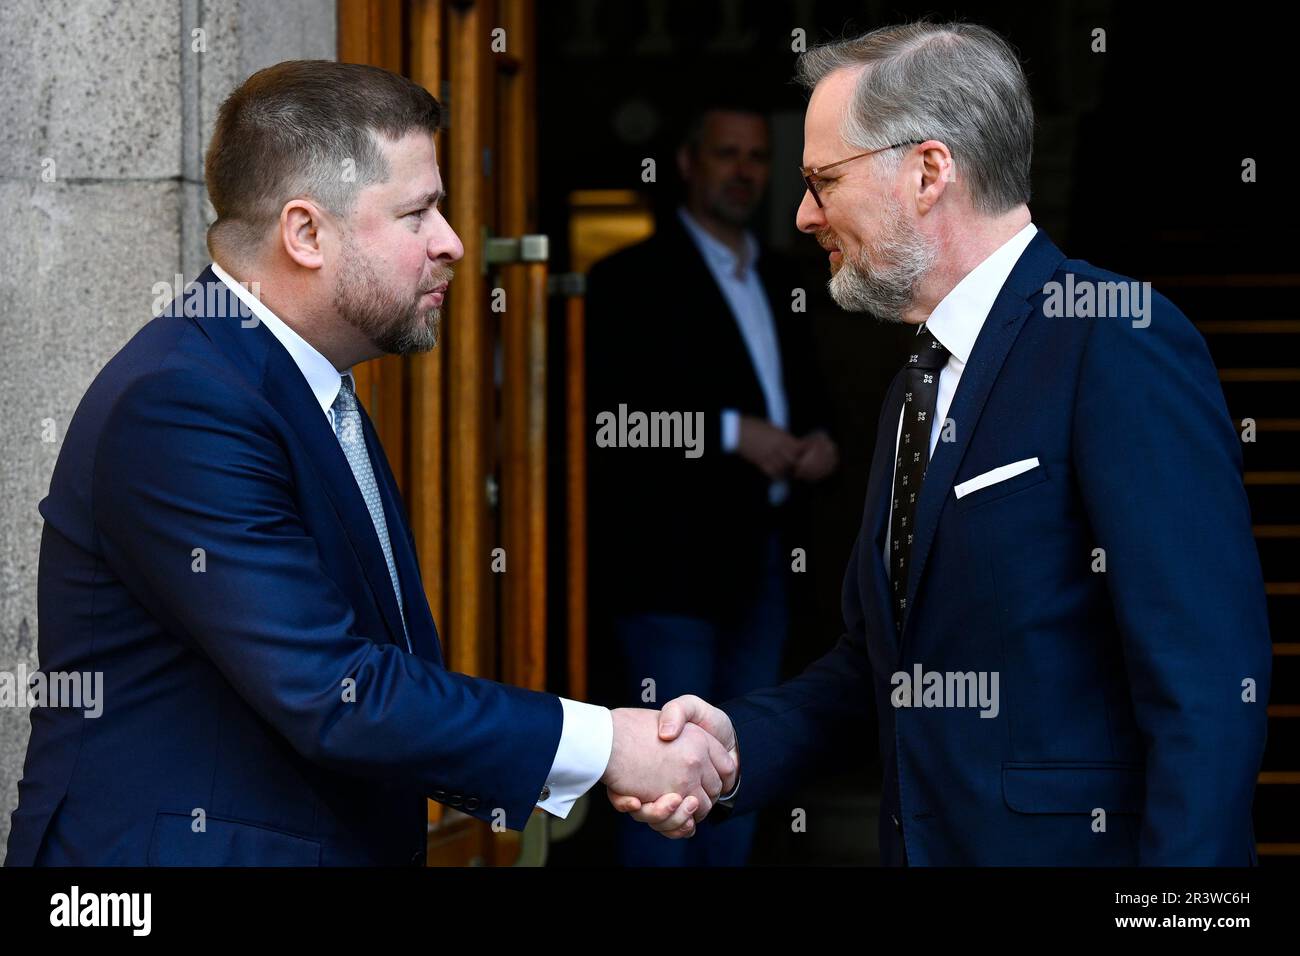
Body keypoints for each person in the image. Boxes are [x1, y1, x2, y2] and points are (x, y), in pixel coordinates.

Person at [5, 60, 733, 866]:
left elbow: (375, 687)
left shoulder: (306, 381)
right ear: (306, 233)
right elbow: (332, 691)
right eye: (418, 212)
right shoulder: (183, 402)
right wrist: (608, 744)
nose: (453, 242)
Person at [611, 21, 1272, 866]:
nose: (805, 214)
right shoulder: (917, 383)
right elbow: (878, 668)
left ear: (928, 172)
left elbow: (1207, 687)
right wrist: (732, 746)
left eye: (824, 181)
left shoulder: (1115, 339)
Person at [585, 101, 837, 865]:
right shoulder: (630, 278)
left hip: (764, 559)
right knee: (663, 786)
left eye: (757, 158)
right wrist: (732, 435)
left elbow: (808, 396)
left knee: (736, 775)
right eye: (726, 154)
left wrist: (821, 440)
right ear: (689, 164)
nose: (743, 172)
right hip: (669, 571)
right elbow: (610, 423)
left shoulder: (784, 276)